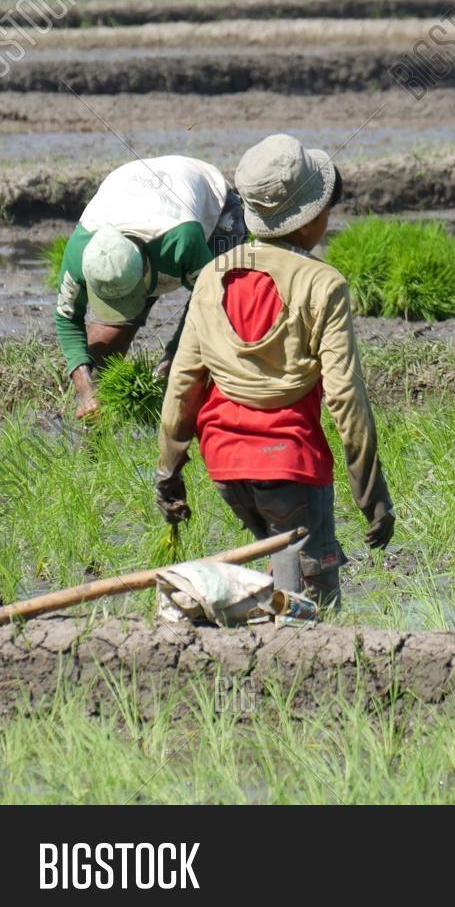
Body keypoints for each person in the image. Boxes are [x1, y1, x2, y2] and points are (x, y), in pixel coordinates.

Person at [155, 135, 395, 609]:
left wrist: (168, 471)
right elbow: (345, 397)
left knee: (282, 573)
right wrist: (372, 494)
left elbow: (184, 382)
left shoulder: (213, 275)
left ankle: (258, 625)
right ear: (308, 218)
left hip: (226, 466)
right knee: (311, 605)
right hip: (289, 464)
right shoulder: (323, 284)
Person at [54, 155, 246, 420]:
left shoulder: (182, 241)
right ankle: (97, 417)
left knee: (227, 309)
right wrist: (85, 389)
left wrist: (171, 361)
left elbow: (207, 304)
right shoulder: (79, 256)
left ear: (145, 268)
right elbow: (66, 319)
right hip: (137, 194)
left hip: (215, 212)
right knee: (102, 350)